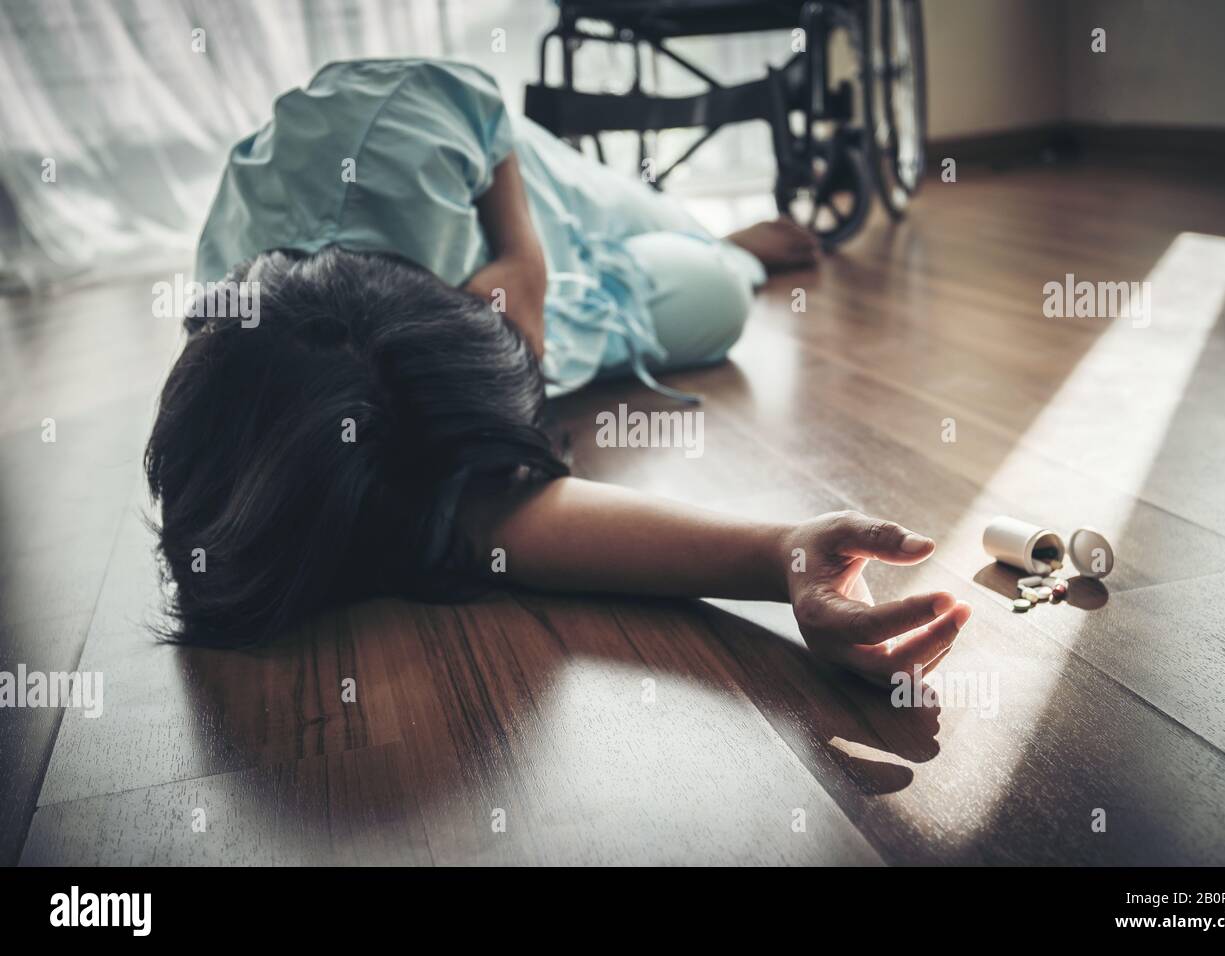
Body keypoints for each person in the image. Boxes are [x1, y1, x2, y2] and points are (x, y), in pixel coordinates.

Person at [147, 58, 971, 680]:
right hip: (560, 316)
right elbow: (509, 521)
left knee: (674, 233)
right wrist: (782, 553)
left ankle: (720, 242)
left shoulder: (383, 130)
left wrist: (521, 253)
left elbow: (473, 102)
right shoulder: (293, 436)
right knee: (713, 299)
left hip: (533, 203)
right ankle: (721, 263)